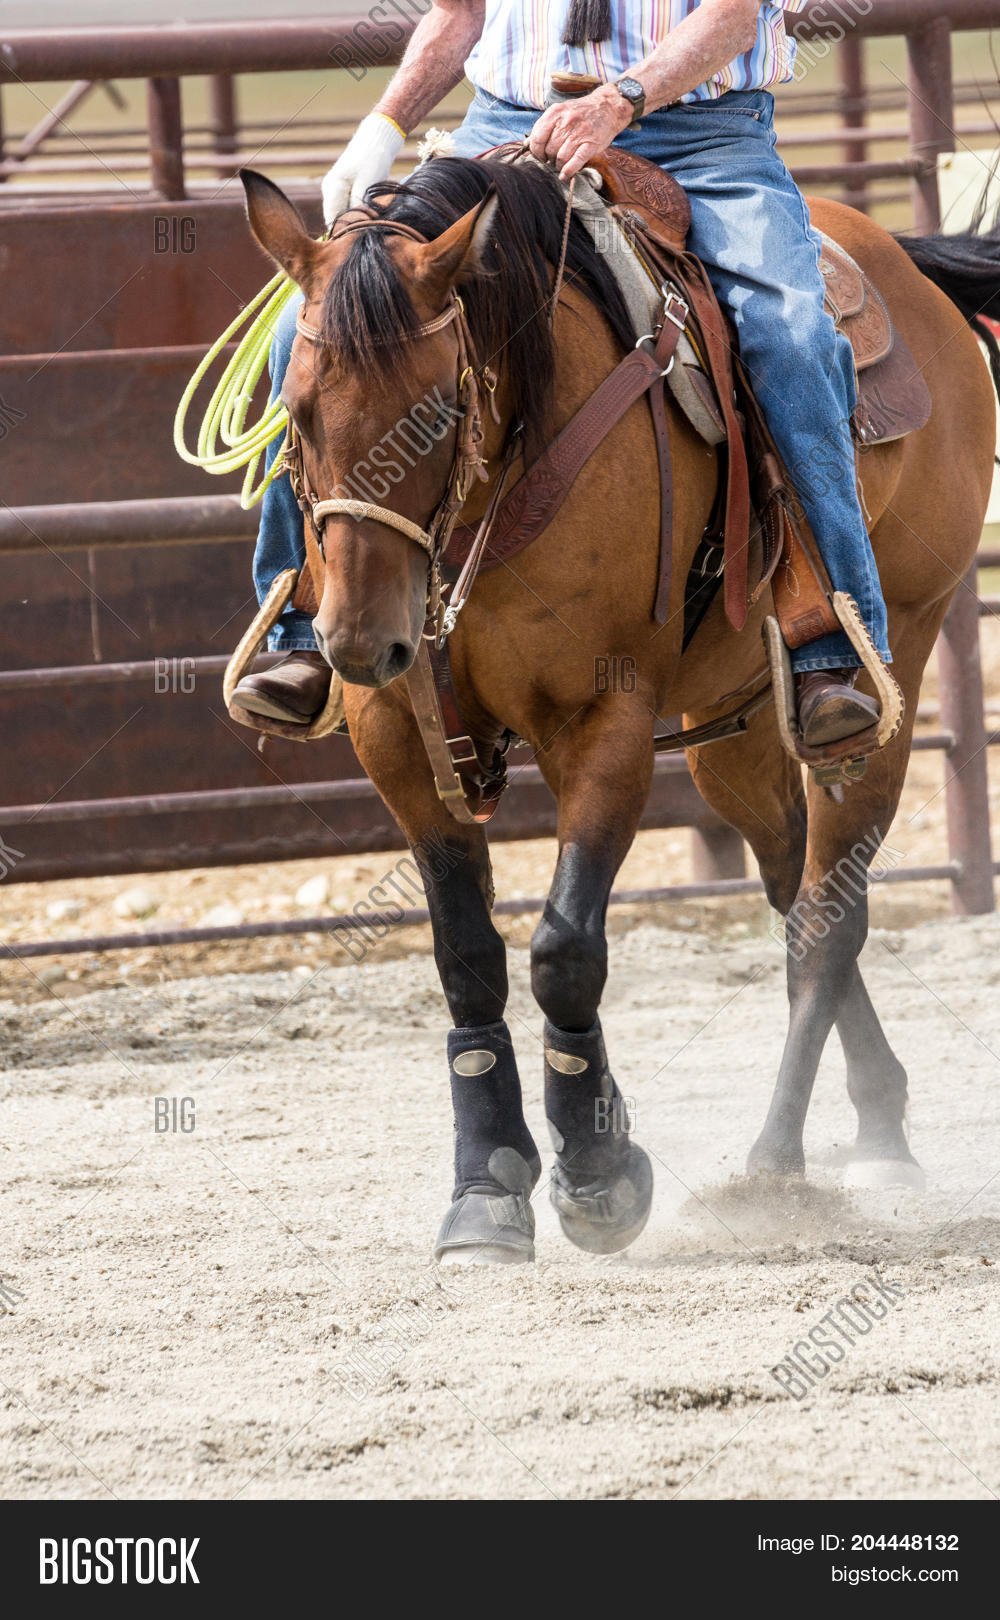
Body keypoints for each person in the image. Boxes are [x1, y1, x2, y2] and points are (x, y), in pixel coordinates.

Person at [235, 0, 885, 746]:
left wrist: (619, 101)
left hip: (703, 141)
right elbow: (460, 11)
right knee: (308, 328)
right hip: (505, 127)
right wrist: (382, 126)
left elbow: (736, 15)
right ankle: (296, 625)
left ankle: (828, 644)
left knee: (791, 336)